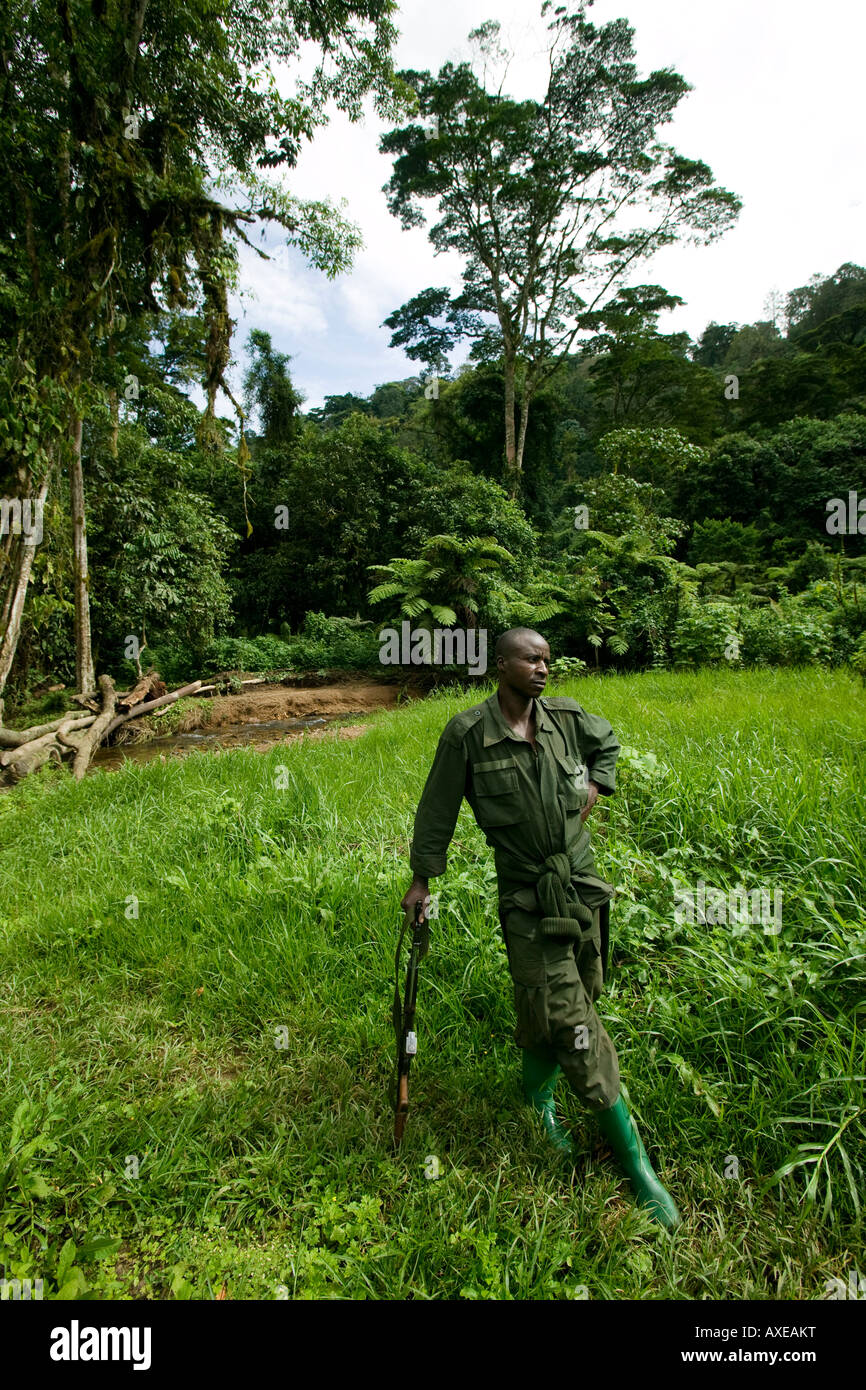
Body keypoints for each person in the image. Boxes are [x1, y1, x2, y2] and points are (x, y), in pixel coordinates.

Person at [401, 627, 681, 1230]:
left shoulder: (566, 719)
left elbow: (607, 741)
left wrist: (597, 783)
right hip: (527, 899)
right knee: (573, 1022)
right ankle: (639, 1169)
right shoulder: (468, 735)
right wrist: (423, 881)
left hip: (581, 887)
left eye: (548, 659)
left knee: (575, 997)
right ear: (500, 665)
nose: (543, 668)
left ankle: (536, 1096)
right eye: (531, 658)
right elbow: (437, 810)